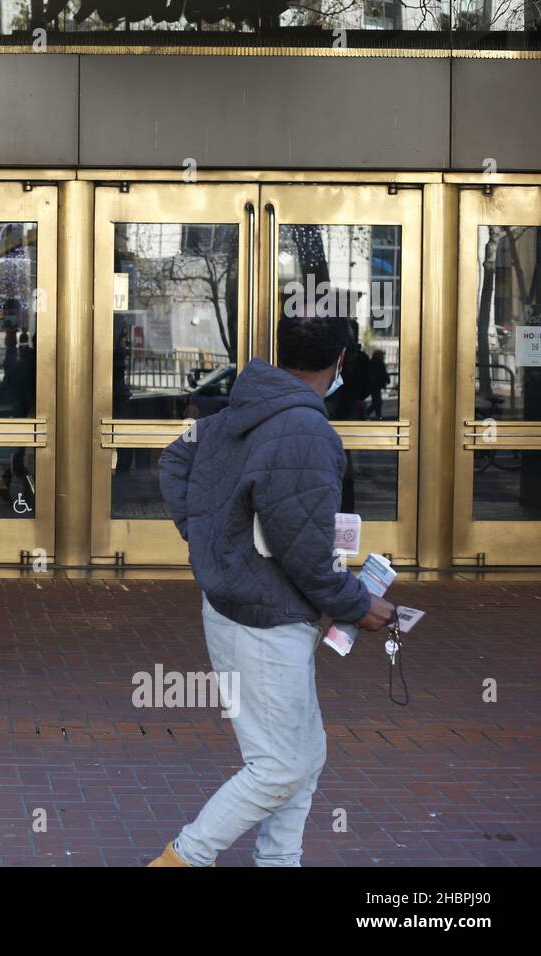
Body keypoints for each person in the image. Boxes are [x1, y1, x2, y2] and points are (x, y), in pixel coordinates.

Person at [150, 313, 395, 867]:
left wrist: (211, 537)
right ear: (338, 363)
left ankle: (278, 862)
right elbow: (307, 553)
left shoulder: (235, 410)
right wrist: (359, 604)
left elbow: (173, 460)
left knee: (302, 758)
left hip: (250, 609)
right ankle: (182, 859)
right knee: (280, 766)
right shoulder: (306, 431)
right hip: (264, 621)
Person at [368, 348, 390, 420]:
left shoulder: (371, 362)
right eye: (382, 355)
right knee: (377, 402)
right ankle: (369, 414)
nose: (383, 356)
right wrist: (387, 379)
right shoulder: (380, 363)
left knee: (377, 402)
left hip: (373, 385)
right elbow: (383, 373)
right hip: (377, 386)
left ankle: (378, 415)